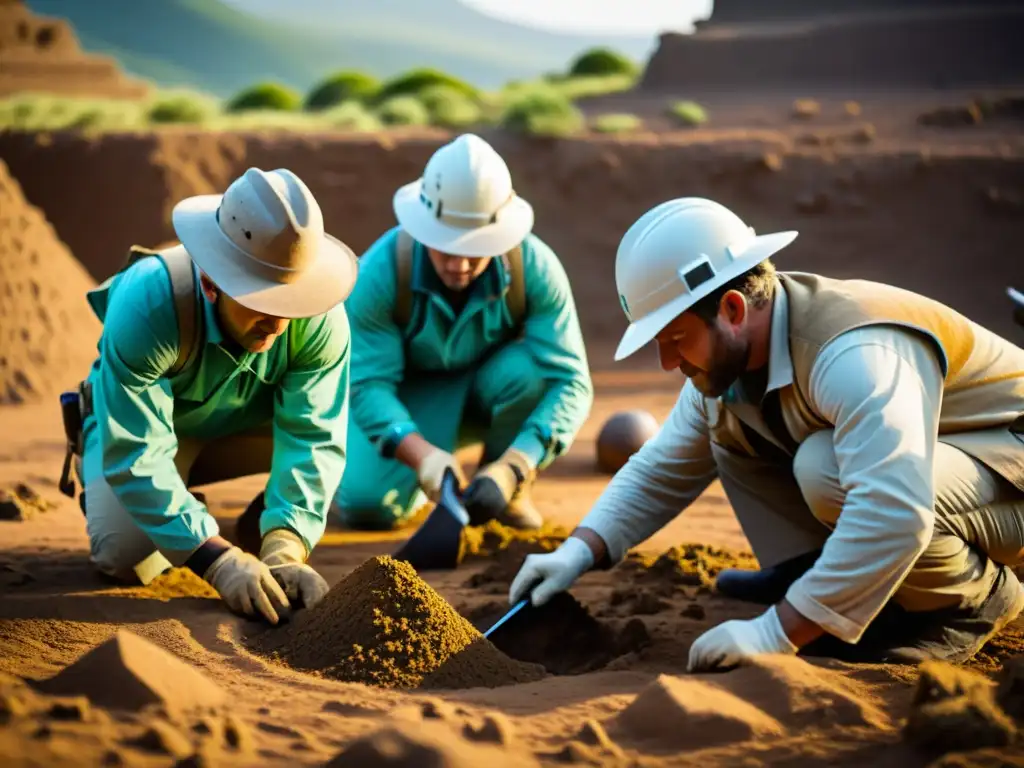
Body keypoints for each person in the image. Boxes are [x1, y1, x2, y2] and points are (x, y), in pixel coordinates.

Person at [509, 196, 1024, 671]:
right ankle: (812, 573)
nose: (668, 362)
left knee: (828, 469)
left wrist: (778, 632)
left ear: (732, 309)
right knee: (731, 429)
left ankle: (969, 601)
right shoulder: (728, 368)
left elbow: (893, 510)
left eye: (675, 339)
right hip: (951, 474)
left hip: (1009, 467)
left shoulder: (852, 355)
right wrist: (574, 553)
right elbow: (662, 467)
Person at [66, 167, 358, 626]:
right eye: (261, 300)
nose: (279, 323)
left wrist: (287, 547)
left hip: (246, 431)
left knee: (339, 442)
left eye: (291, 300)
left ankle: (263, 523)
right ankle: (169, 505)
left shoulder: (321, 318)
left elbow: (313, 438)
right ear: (210, 281)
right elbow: (139, 454)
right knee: (122, 557)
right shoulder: (149, 305)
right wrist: (215, 558)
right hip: (150, 432)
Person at [333, 133, 593, 531]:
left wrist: (515, 465)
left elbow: (572, 382)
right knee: (368, 507)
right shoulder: (379, 274)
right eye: (445, 248)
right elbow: (367, 386)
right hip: (405, 397)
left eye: (476, 250)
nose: (459, 265)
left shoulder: (535, 268)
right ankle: (425, 476)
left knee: (534, 372)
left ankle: (502, 485)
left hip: (487, 390)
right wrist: (422, 457)